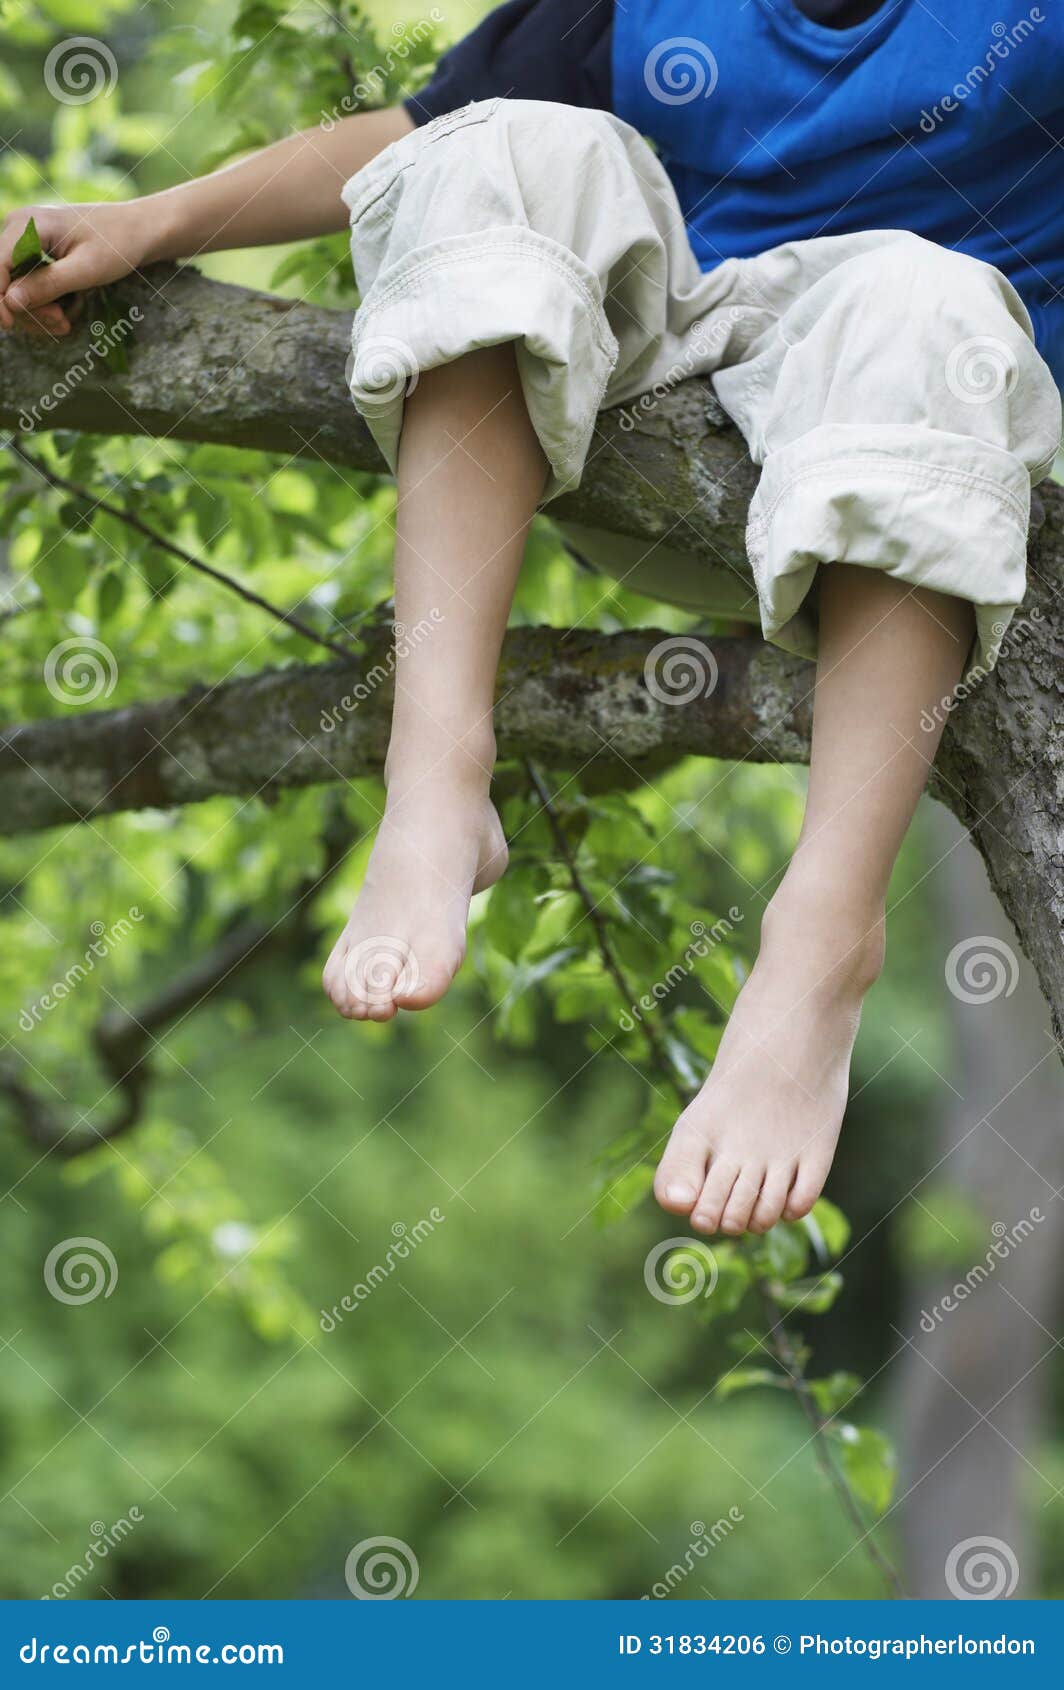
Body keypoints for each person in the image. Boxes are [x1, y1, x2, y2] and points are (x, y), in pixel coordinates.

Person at [2, 0, 1060, 1239]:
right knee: (494, 142)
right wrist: (150, 220)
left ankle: (822, 937)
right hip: (651, 412)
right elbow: (414, 130)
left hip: (915, 458)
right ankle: (437, 774)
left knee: (917, 296)